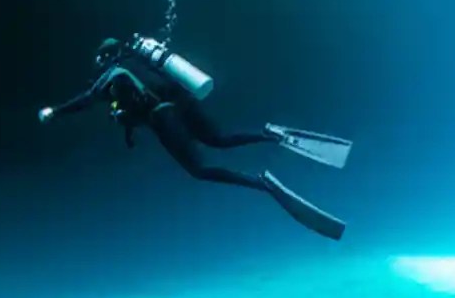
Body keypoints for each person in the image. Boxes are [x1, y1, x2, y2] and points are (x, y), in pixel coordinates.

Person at [38, 35, 353, 240]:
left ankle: (262, 183)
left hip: (163, 115)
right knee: (220, 140)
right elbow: (132, 107)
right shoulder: (142, 61)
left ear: (104, 58)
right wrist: (130, 130)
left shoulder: (112, 72)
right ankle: (271, 134)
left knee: (199, 170)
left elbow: (86, 99)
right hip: (182, 104)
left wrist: (55, 111)